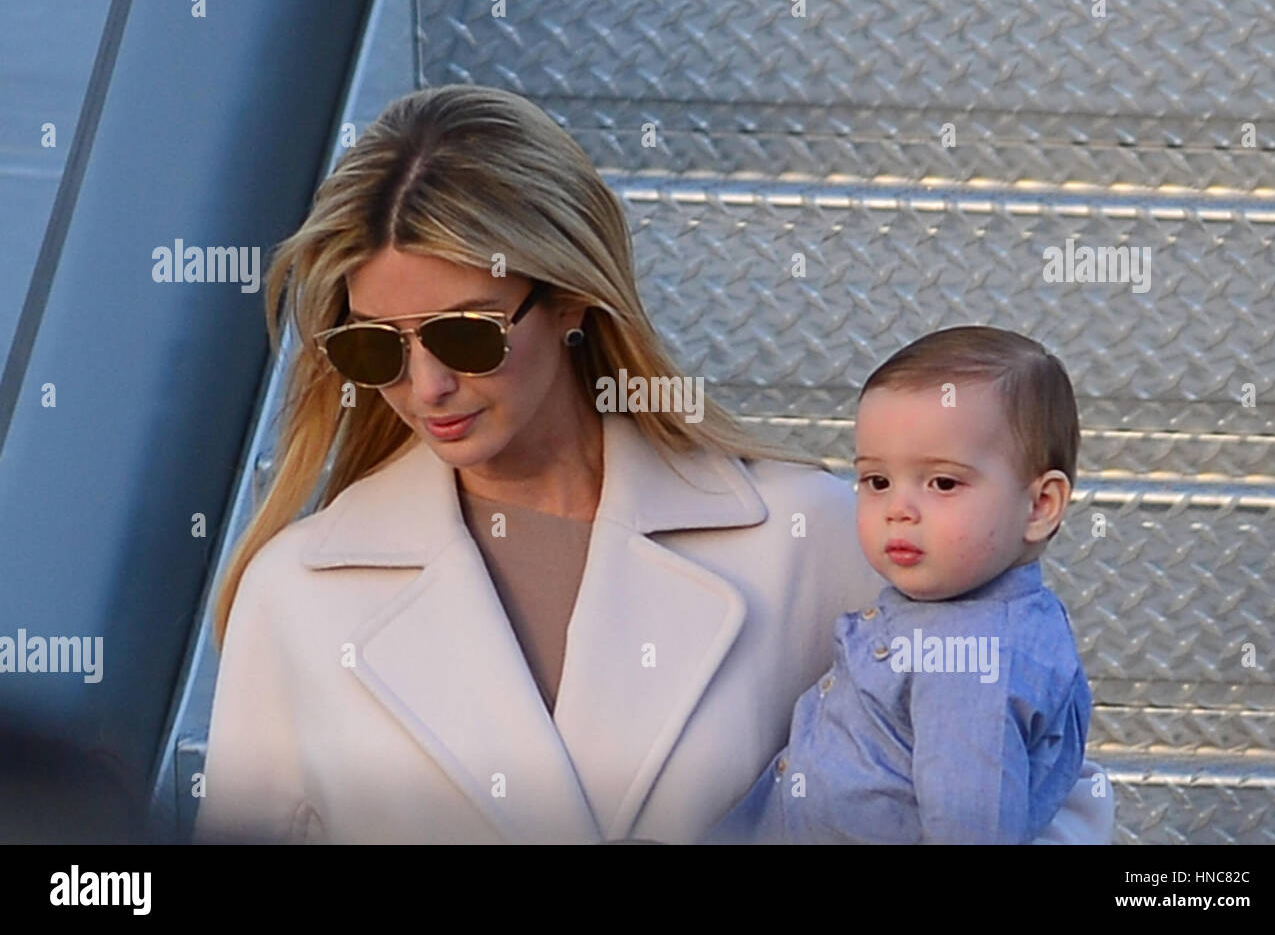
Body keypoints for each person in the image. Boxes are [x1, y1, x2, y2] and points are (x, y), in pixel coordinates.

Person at [193, 85, 1113, 844]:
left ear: (570, 304)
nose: (426, 384)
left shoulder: (815, 534)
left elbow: (1042, 798)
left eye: (465, 334)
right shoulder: (299, 594)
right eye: (373, 350)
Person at [705, 327, 1094, 844]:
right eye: (877, 481)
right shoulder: (953, 616)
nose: (898, 511)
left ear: (1040, 505)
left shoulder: (970, 661)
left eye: (943, 483)